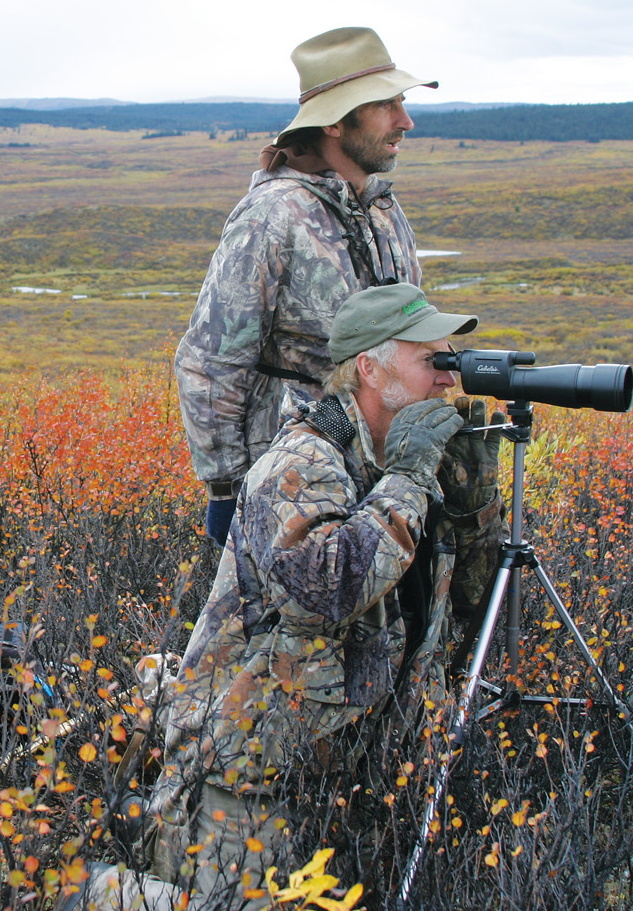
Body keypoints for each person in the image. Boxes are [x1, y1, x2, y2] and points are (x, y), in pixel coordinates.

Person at [75, 284, 504, 910]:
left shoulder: (409, 462)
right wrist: (410, 479)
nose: (448, 379)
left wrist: (472, 489)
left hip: (343, 763)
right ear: (369, 367)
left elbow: (470, 604)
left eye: (452, 362)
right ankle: (92, 894)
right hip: (245, 766)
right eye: (432, 361)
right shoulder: (300, 463)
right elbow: (328, 591)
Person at [175, 27, 439, 546]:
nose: (405, 122)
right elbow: (211, 362)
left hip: (383, 481)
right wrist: (228, 492)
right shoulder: (273, 215)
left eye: (401, 103)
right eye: (387, 105)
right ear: (338, 122)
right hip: (289, 489)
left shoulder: (384, 210)